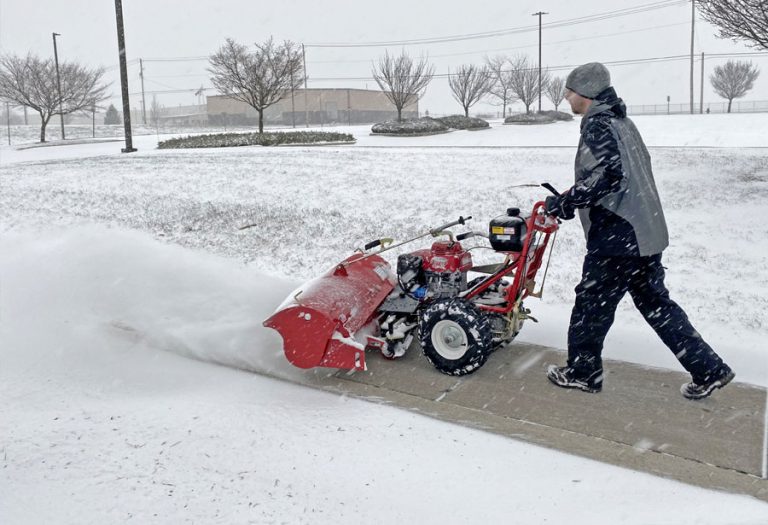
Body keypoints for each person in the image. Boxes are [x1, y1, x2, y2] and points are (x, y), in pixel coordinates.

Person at [544, 62, 734, 400]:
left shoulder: (599, 125)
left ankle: (583, 373)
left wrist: (567, 202)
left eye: (570, 91)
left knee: (592, 305)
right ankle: (709, 369)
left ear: (586, 92)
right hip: (644, 232)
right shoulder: (622, 122)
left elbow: (609, 176)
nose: (567, 98)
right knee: (656, 304)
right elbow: (622, 173)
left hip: (618, 235)